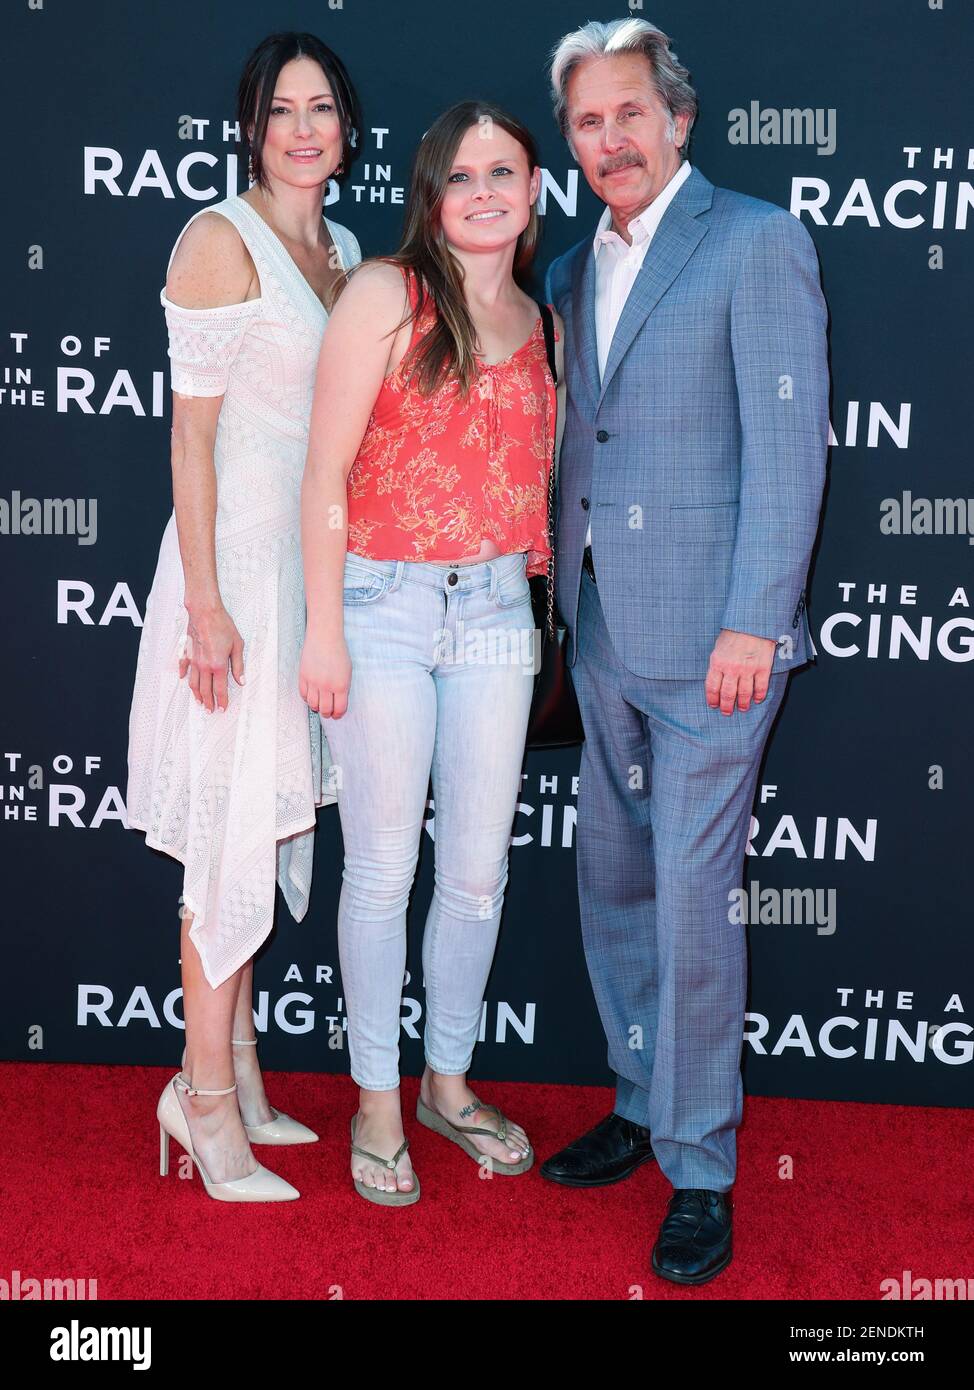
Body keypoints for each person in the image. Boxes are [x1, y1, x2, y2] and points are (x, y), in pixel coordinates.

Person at [539, 18, 829, 1283]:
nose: (611, 138)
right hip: (596, 631)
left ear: (678, 119)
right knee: (613, 880)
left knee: (697, 909)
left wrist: (753, 623)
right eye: (587, 122)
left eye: (628, 113)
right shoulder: (563, 267)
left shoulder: (754, 241)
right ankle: (641, 1098)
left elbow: (788, 449)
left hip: (713, 642)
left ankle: (701, 1164)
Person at [299, 101, 563, 1206]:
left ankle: (444, 1086)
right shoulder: (383, 294)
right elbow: (322, 477)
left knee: (473, 873)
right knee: (379, 870)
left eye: (503, 171)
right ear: (430, 195)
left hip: (499, 614)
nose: (484, 191)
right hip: (383, 609)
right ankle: (372, 1096)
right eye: (461, 176)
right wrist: (322, 628)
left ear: (536, 191)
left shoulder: (542, 320)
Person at [126, 32, 363, 1202]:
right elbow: (193, 436)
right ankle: (201, 1100)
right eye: (283, 109)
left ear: (345, 126)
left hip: (300, 586)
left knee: (260, 835)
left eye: (322, 108)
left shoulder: (344, 249)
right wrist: (208, 604)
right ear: (252, 124)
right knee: (226, 837)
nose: (303, 128)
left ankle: (245, 1072)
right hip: (230, 590)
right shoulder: (217, 240)